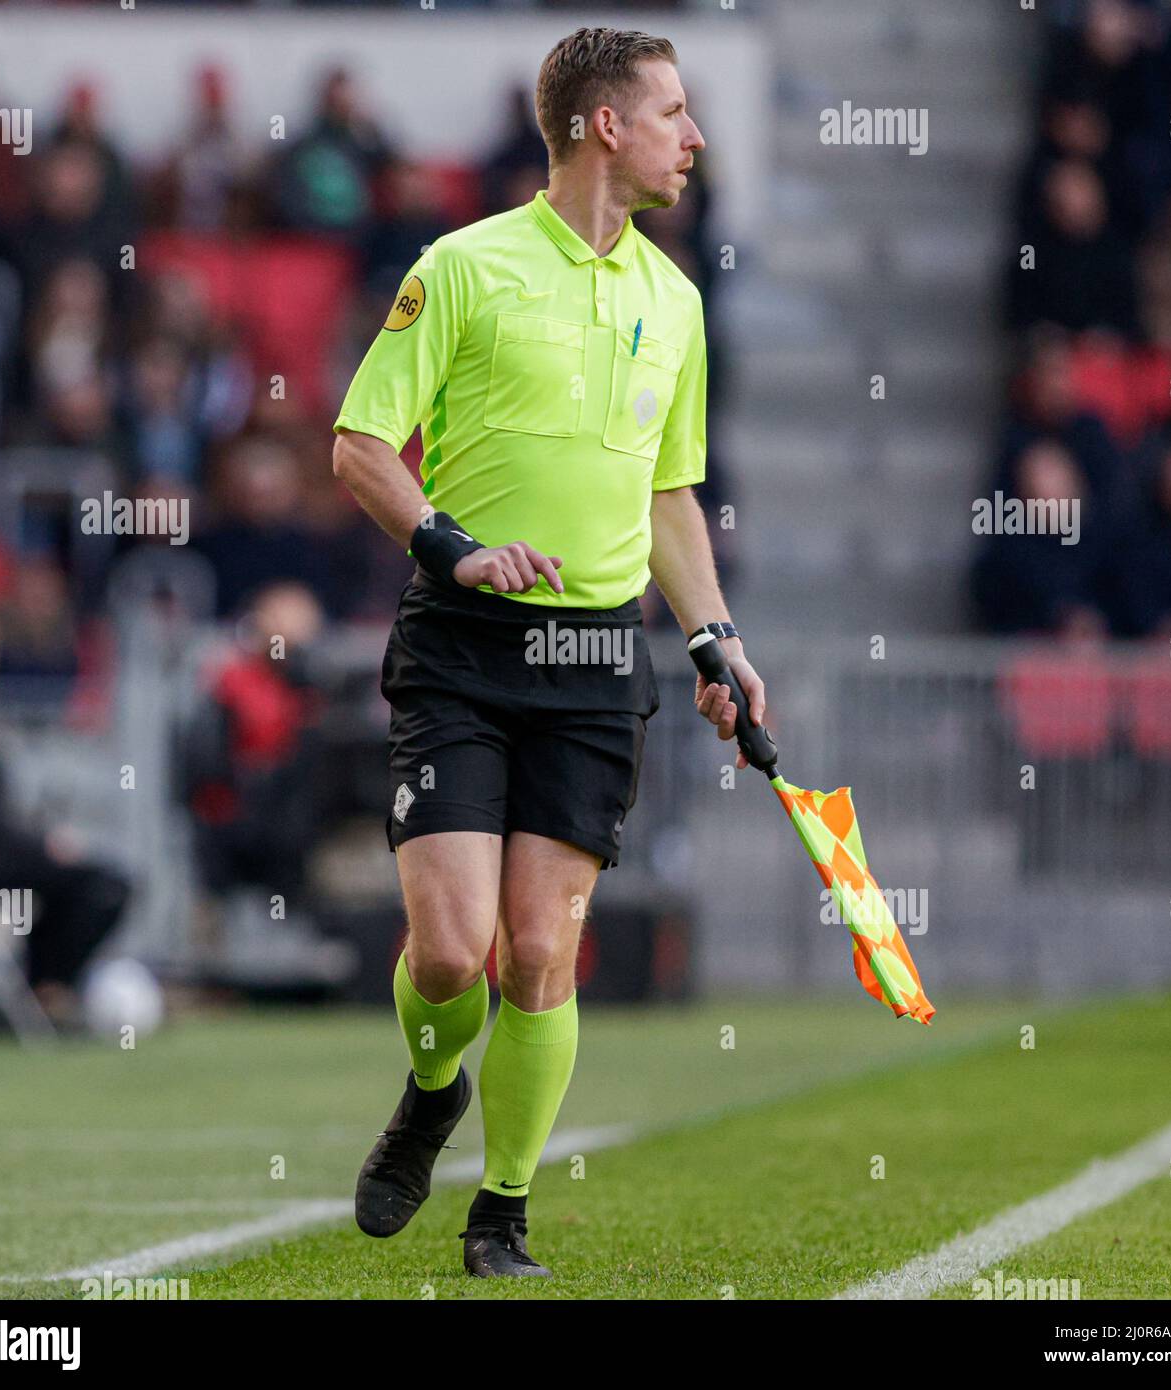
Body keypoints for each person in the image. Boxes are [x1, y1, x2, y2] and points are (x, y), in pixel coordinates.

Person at [331, 27, 763, 1277]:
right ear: (602, 127)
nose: (694, 138)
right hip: (462, 643)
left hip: (594, 664)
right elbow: (361, 445)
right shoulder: (460, 268)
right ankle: (428, 1090)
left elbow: (670, 497)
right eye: (674, 112)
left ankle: (501, 1210)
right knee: (452, 954)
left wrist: (714, 638)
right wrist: (449, 546)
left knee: (540, 952)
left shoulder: (675, 300)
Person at [0, 582, 130, 1026]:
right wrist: (41, 847)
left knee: (98, 882)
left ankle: (29, 993)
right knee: (102, 887)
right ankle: (32, 994)